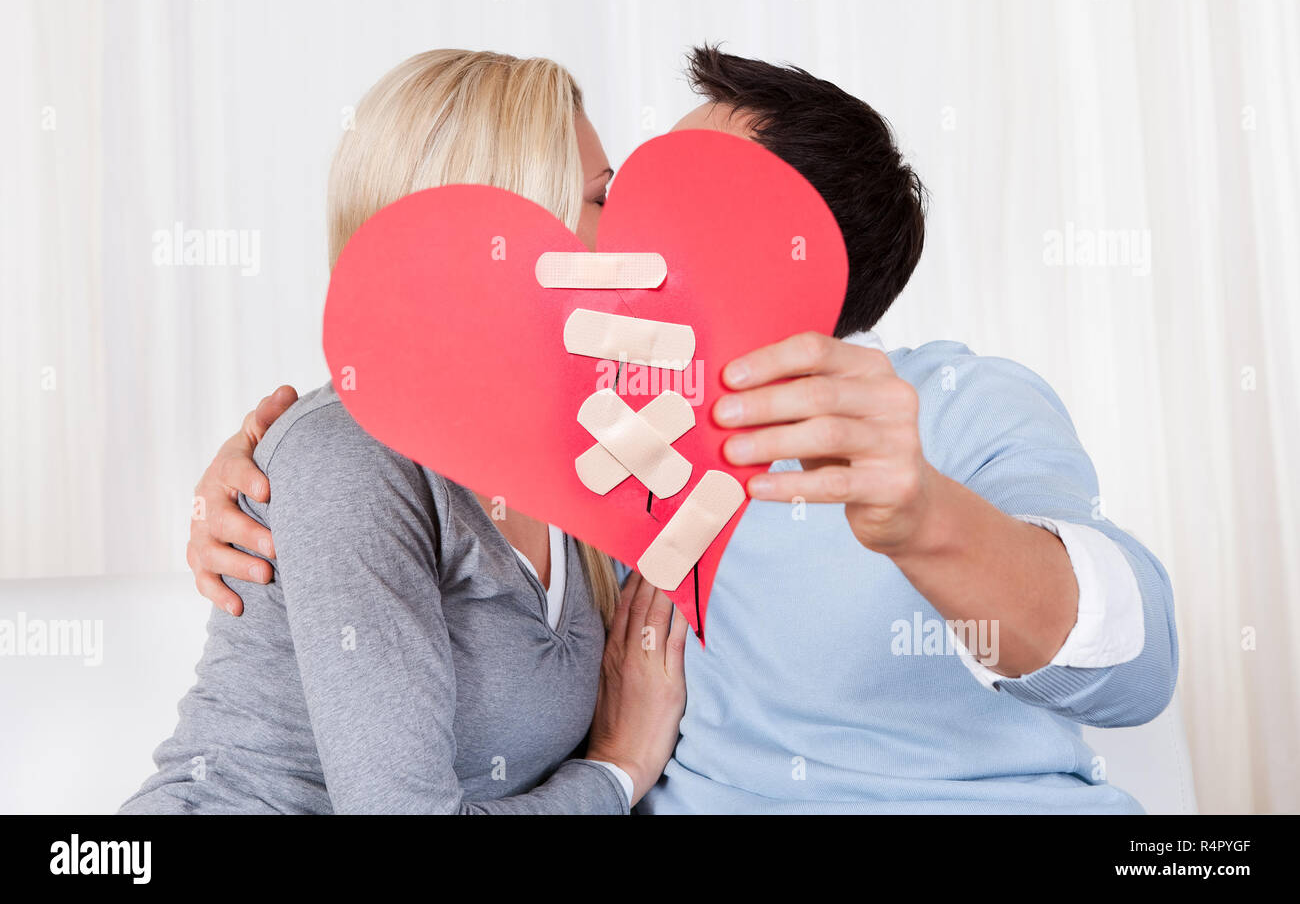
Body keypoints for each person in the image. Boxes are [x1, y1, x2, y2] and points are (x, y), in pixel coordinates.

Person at [187, 46, 1178, 813]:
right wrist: (261, 471)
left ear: (786, 252)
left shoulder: (960, 406)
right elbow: (398, 436)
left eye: (679, 198)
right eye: (621, 194)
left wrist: (922, 515)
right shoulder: (590, 443)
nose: (621, 229)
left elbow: (1137, 663)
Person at [123, 50, 686, 814]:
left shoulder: (585, 446)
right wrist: (618, 771)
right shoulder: (350, 459)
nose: (626, 227)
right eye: (598, 198)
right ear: (503, 234)